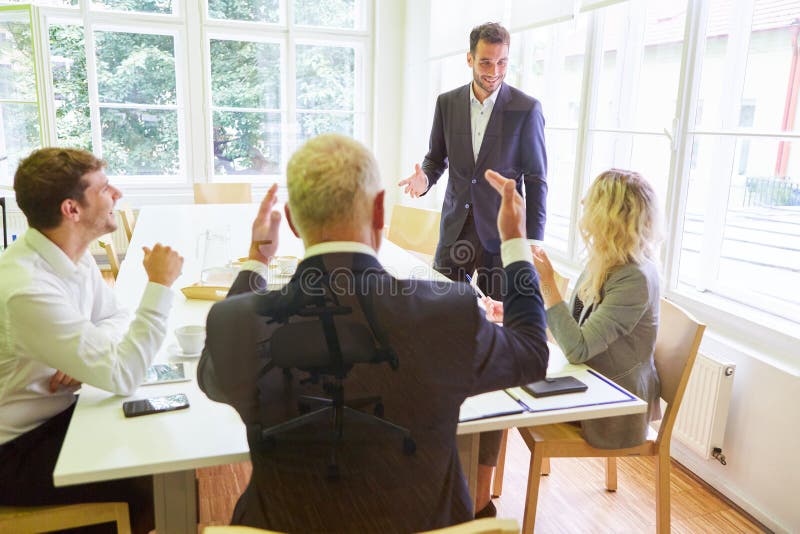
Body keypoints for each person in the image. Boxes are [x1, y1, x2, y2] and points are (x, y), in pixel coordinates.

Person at [197, 134, 550, 532]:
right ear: (380, 209)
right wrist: (515, 244)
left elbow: (212, 378)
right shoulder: (449, 311)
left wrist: (257, 260)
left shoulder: (235, 322)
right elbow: (533, 352)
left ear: (293, 221)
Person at [398, 23, 547, 502]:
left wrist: (528, 245)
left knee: (501, 347)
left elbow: (537, 182)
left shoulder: (525, 109)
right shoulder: (447, 103)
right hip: (455, 235)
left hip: (503, 237)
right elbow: (435, 162)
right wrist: (422, 182)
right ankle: (440, 447)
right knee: (441, 335)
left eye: (503, 62)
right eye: (486, 62)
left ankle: (483, 480)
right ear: (468, 59)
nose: (495, 71)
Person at [0, 147, 184, 534]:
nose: (116, 193)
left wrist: (81, 350)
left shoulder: (69, 251)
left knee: (163, 450)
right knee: (150, 478)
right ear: (72, 209)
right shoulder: (27, 289)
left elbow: (115, 316)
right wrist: (159, 286)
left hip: (55, 414)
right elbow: (122, 375)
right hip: (14, 449)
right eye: (103, 188)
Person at [484, 168, 662, 450]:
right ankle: (481, 490)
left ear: (611, 217)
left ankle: (479, 492)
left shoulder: (635, 278)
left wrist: (548, 283)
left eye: (591, 201)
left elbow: (576, 347)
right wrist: (514, 312)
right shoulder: (608, 259)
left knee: (497, 388)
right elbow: (574, 322)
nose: (583, 205)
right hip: (586, 379)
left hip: (610, 403)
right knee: (499, 380)